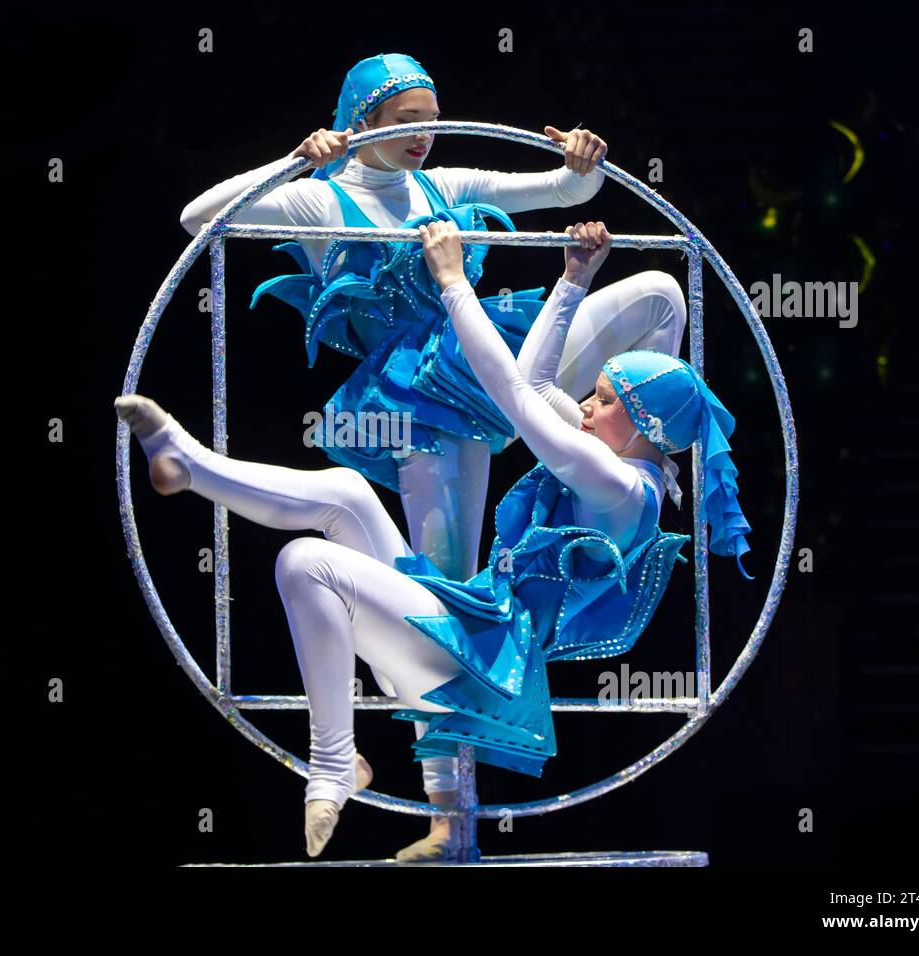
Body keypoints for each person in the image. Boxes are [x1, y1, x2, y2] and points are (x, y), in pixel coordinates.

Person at [179, 53, 690, 855]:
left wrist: (581, 166)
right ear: (364, 123)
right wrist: (292, 159)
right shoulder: (321, 196)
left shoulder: (441, 185)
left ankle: (646, 461)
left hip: (502, 360)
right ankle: (451, 820)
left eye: (431, 116)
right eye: (405, 120)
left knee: (660, 291)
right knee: (445, 600)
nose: (423, 135)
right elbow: (199, 219)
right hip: (418, 407)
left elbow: (560, 193)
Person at [119, 220, 753, 859]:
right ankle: (187, 463)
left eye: (606, 400)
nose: (586, 405)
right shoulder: (621, 464)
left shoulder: (615, 484)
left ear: (645, 424)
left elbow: (512, 391)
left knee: (306, 563)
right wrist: (573, 280)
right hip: (467, 623)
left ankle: (334, 760)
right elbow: (532, 386)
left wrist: (454, 284)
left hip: (473, 662)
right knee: (346, 495)